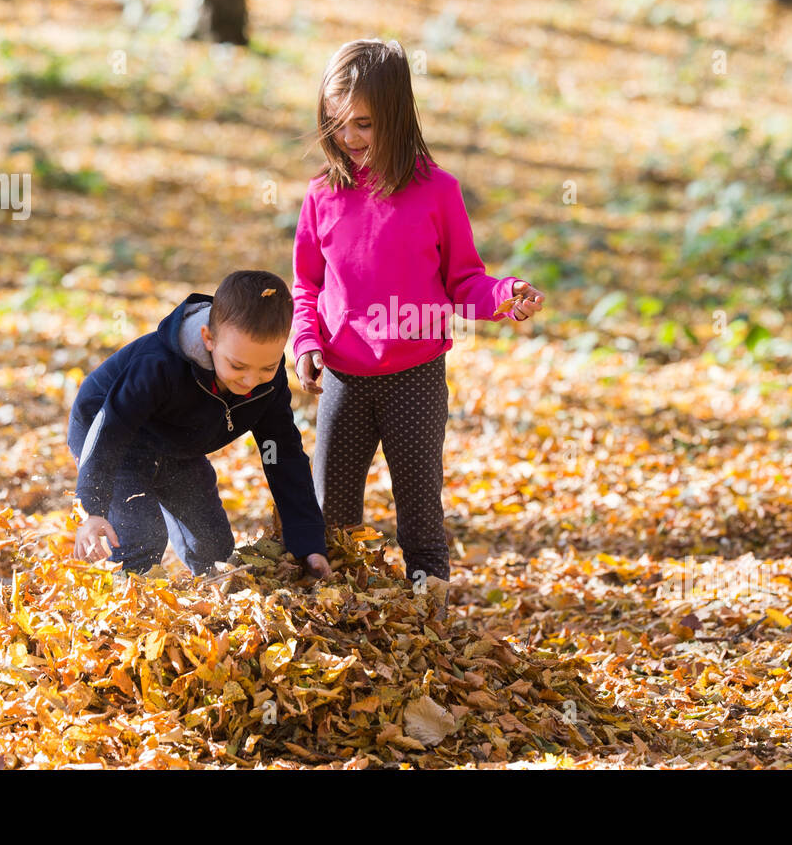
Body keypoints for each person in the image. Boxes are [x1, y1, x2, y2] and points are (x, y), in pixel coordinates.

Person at [291, 38, 545, 594]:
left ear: (398, 116)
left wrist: (503, 294)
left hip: (415, 377)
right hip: (343, 378)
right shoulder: (323, 196)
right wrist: (306, 341)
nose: (349, 139)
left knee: (420, 520)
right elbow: (307, 284)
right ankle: (333, 621)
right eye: (337, 124)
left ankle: (431, 625)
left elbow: (465, 282)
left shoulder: (438, 193)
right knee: (328, 517)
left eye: (364, 124)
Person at [67, 270, 330, 579]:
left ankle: (208, 598)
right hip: (114, 436)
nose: (250, 382)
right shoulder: (158, 366)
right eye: (237, 365)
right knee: (141, 538)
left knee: (214, 549)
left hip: (177, 444)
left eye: (267, 367)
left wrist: (309, 542)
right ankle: (126, 608)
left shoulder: (267, 388)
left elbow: (282, 456)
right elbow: (111, 429)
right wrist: (90, 508)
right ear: (208, 338)